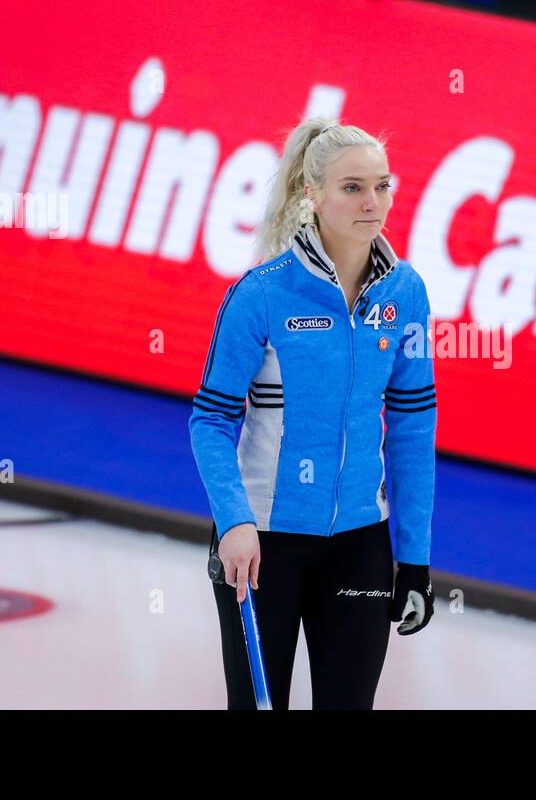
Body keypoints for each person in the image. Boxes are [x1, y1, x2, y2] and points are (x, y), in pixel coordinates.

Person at [188, 116, 436, 710]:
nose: (372, 202)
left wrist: (415, 558)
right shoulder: (262, 294)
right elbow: (211, 420)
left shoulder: (405, 293)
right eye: (352, 187)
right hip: (265, 543)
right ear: (312, 194)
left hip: (359, 542)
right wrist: (234, 522)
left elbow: (412, 428)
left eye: (383, 185)